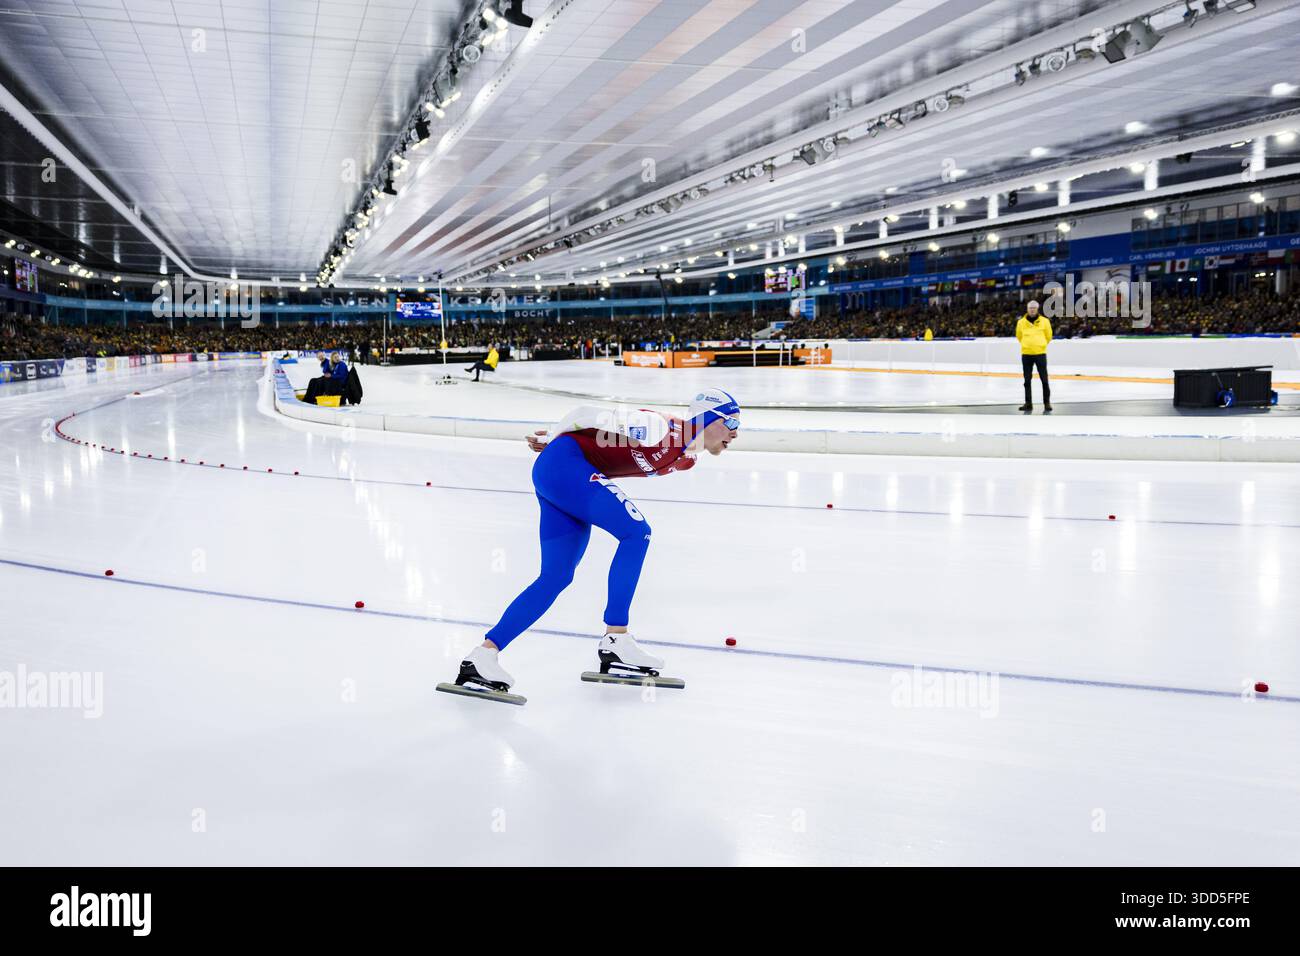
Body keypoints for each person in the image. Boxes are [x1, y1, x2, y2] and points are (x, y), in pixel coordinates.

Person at [449, 388, 742, 699]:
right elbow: (587, 415)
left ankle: (482, 656)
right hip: (564, 467)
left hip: (564, 475)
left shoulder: (684, 458)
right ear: (709, 419)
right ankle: (616, 639)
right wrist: (553, 434)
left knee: (556, 576)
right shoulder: (661, 430)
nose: (736, 434)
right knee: (637, 532)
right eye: (732, 424)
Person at [1016, 300, 1052, 413]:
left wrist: (1040, 345)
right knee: (1027, 380)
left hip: (1040, 354)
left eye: (1034, 308)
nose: (1032, 310)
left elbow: (1048, 336)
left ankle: (1047, 403)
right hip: (1026, 354)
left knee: (1044, 379)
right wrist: (1027, 345)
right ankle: (1028, 403)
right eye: (1030, 308)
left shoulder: (1045, 321)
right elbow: (1019, 336)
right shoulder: (1021, 322)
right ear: (1027, 309)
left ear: (1037, 309)